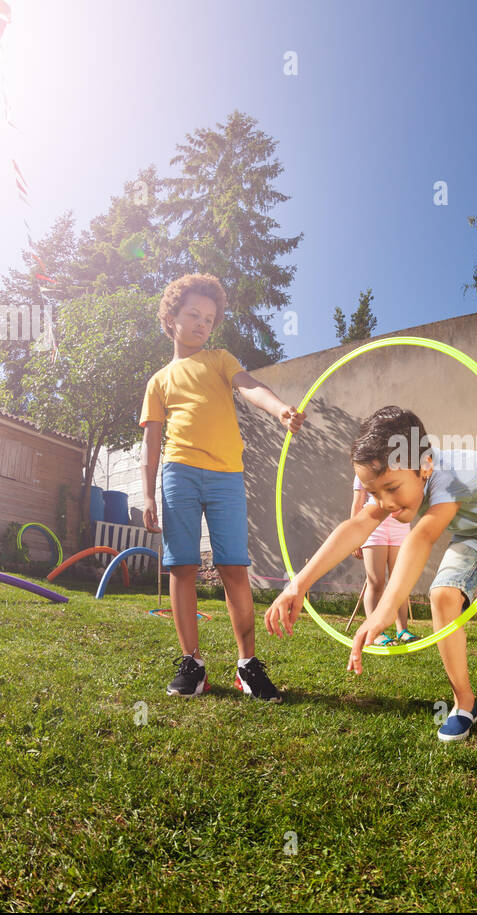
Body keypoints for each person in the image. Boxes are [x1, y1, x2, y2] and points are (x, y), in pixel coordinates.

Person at [265, 405, 477, 742]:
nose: (383, 502)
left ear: (424, 466)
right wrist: (299, 584)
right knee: (443, 594)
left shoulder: (454, 474)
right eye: (374, 493)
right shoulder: (401, 476)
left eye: (392, 489)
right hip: (473, 538)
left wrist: (383, 613)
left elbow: (422, 537)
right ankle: (463, 702)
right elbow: (357, 526)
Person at [140, 272, 305, 701]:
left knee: (234, 567)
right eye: (193, 314)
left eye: (209, 318)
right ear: (171, 317)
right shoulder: (158, 381)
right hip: (178, 472)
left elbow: (250, 387)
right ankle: (192, 664)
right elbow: (151, 443)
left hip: (227, 475)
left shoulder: (220, 359)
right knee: (183, 566)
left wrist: (280, 409)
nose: (201, 323)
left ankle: (247, 665)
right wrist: (145, 493)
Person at [351, 472, 418, 646]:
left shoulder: (402, 468)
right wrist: (354, 537)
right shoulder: (364, 468)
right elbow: (358, 502)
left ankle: (402, 630)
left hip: (400, 527)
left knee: (400, 581)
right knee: (376, 582)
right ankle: (376, 633)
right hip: (374, 527)